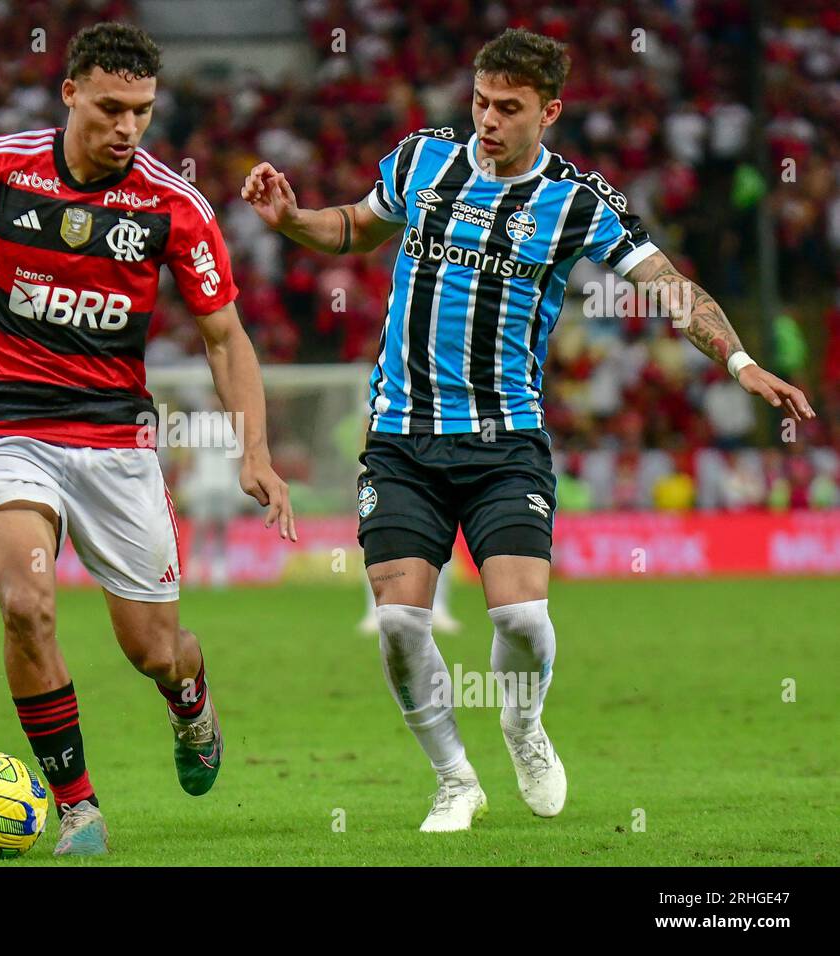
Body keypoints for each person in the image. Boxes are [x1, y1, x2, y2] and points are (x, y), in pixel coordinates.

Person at [243, 27, 813, 832]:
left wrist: (740, 361)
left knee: (519, 618)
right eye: (480, 102)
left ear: (549, 111)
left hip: (505, 439)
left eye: (509, 109)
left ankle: (521, 725)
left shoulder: (577, 201)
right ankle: (453, 780)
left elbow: (666, 285)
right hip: (401, 438)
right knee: (402, 625)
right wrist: (292, 217)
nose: (488, 120)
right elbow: (354, 229)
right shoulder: (421, 161)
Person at [0, 22, 294, 856]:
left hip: (115, 445)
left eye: (141, 110)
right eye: (109, 108)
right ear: (70, 95)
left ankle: (190, 698)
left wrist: (255, 451)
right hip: (6, 430)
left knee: (155, 651)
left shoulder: (175, 205)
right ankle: (78, 808)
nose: (127, 127)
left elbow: (224, 337)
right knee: (27, 606)